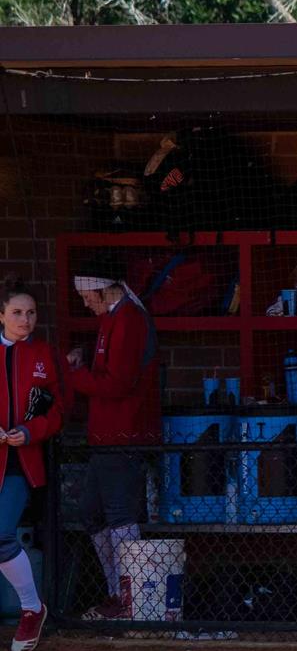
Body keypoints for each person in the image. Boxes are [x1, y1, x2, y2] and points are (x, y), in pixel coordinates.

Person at [65, 262, 162, 620]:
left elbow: (117, 384)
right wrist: (82, 358)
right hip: (106, 434)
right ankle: (117, 593)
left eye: (86, 296)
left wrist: (72, 376)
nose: (85, 303)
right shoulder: (112, 317)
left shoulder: (129, 319)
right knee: (93, 512)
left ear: (103, 289)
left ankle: (130, 598)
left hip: (124, 432)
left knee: (120, 515)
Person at [1, 287, 61, 651]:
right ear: (1, 315)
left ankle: (31, 608)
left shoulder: (43, 355)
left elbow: (55, 411)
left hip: (19, 463)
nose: (26, 320)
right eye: (18, 312)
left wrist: (29, 432)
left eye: (32, 313)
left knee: (2, 535)